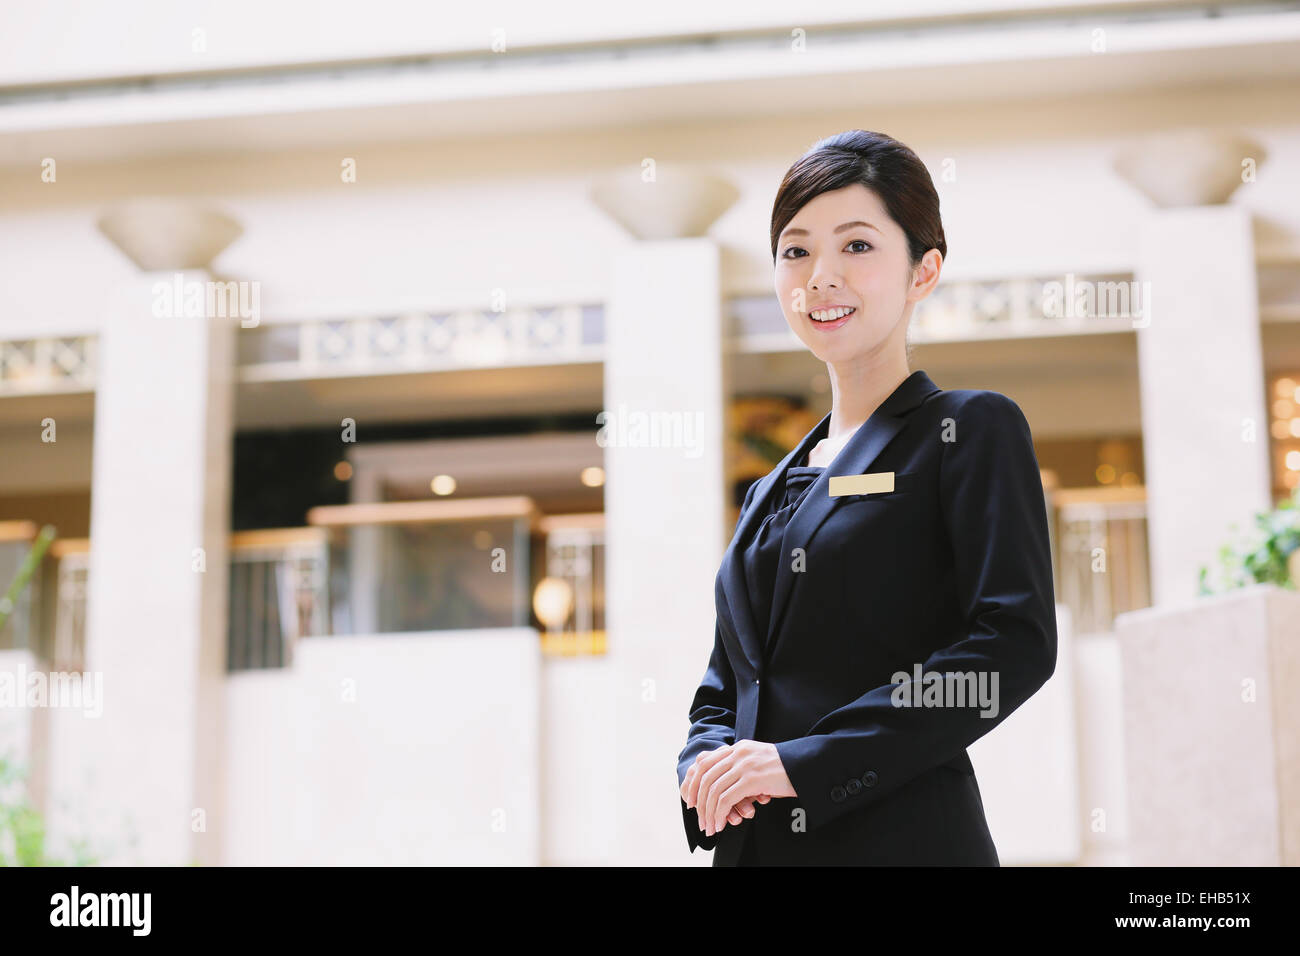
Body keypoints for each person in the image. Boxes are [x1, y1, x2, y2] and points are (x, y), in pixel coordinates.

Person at [676, 129, 1058, 866]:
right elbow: (729, 676)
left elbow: (1012, 645)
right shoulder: (767, 488)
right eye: (796, 249)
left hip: (900, 838)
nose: (820, 276)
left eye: (856, 246)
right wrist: (704, 763)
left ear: (924, 270)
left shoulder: (967, 430)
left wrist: (806, 762)